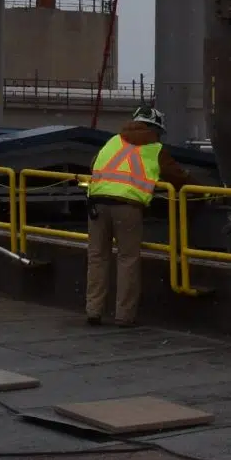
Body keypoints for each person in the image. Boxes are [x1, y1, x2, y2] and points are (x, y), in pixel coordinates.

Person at [83, 107, 187, 326]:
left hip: (97, 204)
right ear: (156, 129)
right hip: (127, 207)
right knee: (127, 259)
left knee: (97, 257)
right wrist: (205, 191)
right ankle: (124, 316)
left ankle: (93, 310)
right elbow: (179, 178)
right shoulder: (155, 148)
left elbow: (94, 165)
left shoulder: (113, 141)